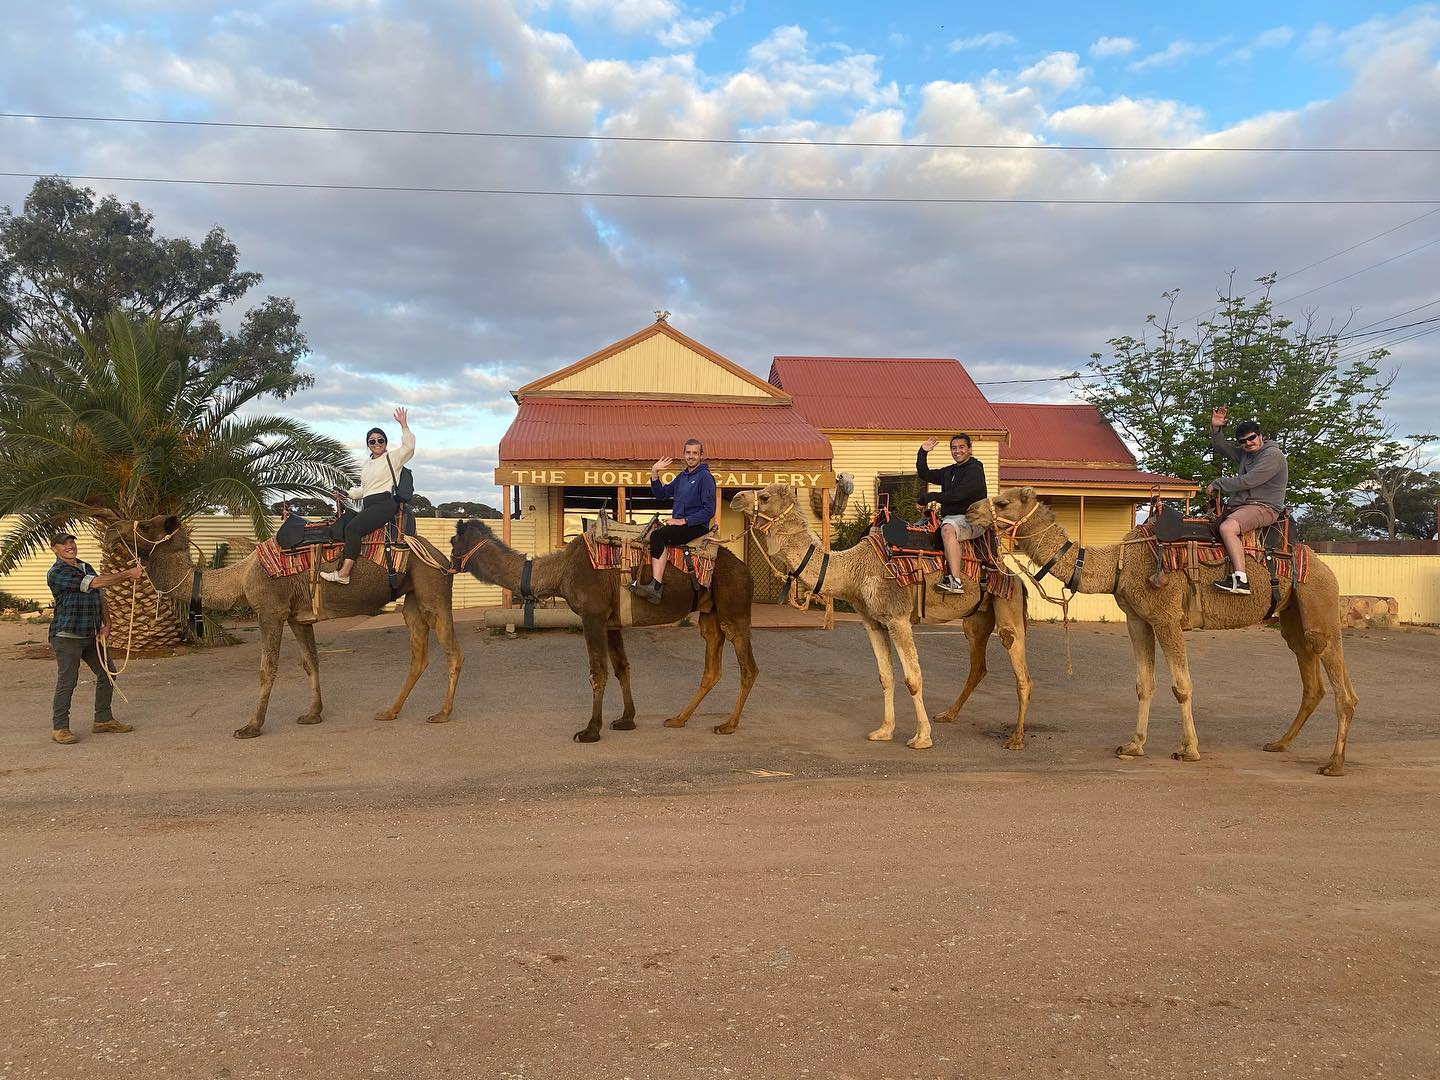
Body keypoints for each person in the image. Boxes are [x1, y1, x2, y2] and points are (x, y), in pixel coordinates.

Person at [46, 530, 144, 745]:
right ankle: (60, 727)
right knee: (67, 681)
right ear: (55, 549)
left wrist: (107, 624)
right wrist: (128, 574)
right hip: (67, 636)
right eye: (64, 544)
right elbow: (95, 584)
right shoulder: (57, 572)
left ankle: (103, 719)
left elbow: (100, 595)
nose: (70, 545)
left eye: (71, 542)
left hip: (91, 635)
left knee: (108, 673)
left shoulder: (84, 566)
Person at [321, 407, 414, 585]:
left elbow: (409, 447)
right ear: (368, 444)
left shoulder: (393, 458)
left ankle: (344, 574)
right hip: (369, 504)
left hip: (385, 503)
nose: (377, 443)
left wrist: (403, 424)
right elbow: (364, 490)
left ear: (386, 442)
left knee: (352, 529)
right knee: (345, 522)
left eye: (380, 440)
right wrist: (346, 493)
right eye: (372, 441)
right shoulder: (367, 464)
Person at [1208, 406, 1288, 595]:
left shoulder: (1273, 456)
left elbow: (1249, 480)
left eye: (1251, 438)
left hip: (1264, 506)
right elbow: (1223, 447)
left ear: (1260, 436)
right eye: (1243, 441)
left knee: (1227, 528)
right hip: (1242, 506)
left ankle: (1241, 579)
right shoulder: (1246, 453)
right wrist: (1216, 429)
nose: (1248, 443)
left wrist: (1217, 483)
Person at [632, 438, 716, 604]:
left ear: (701, 455)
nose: (691, 456)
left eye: (695, 453)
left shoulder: (705, 478)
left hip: (695, 526)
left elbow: (709, 510)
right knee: (655, 535)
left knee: (658, 536)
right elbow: (661, 495)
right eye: (688, 453)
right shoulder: (682, 477)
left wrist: (682, 521)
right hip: (681, 524)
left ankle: (656, 587)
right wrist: (655, 472)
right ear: (684, 454)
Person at [916, 433, 988, 594]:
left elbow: (958, 495)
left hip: (973, 519)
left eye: (961, 447)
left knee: (947, 529)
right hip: (950, 518)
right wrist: (923, 452)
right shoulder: (950, 471)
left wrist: (929, 497)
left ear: (969, 449)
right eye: (954, 448)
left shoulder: (975, 470)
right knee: (920, 531)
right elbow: (924, 474)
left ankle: (955, 581)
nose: (957, 451)